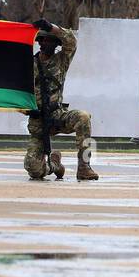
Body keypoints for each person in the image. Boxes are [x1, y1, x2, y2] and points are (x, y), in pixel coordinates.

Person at [23, 19, 98, 181]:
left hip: (57, 116)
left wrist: (51, 27)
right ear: (40, 42)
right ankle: (55, 165)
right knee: (33, 168)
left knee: (83, 117)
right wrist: (26, 109)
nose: (47, 43)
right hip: (38, 122)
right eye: (44, 39)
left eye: (51, 40)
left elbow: (71, 41)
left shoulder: (61, 61)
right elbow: (16, 95)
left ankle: (84, 166)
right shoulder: (28, 65)